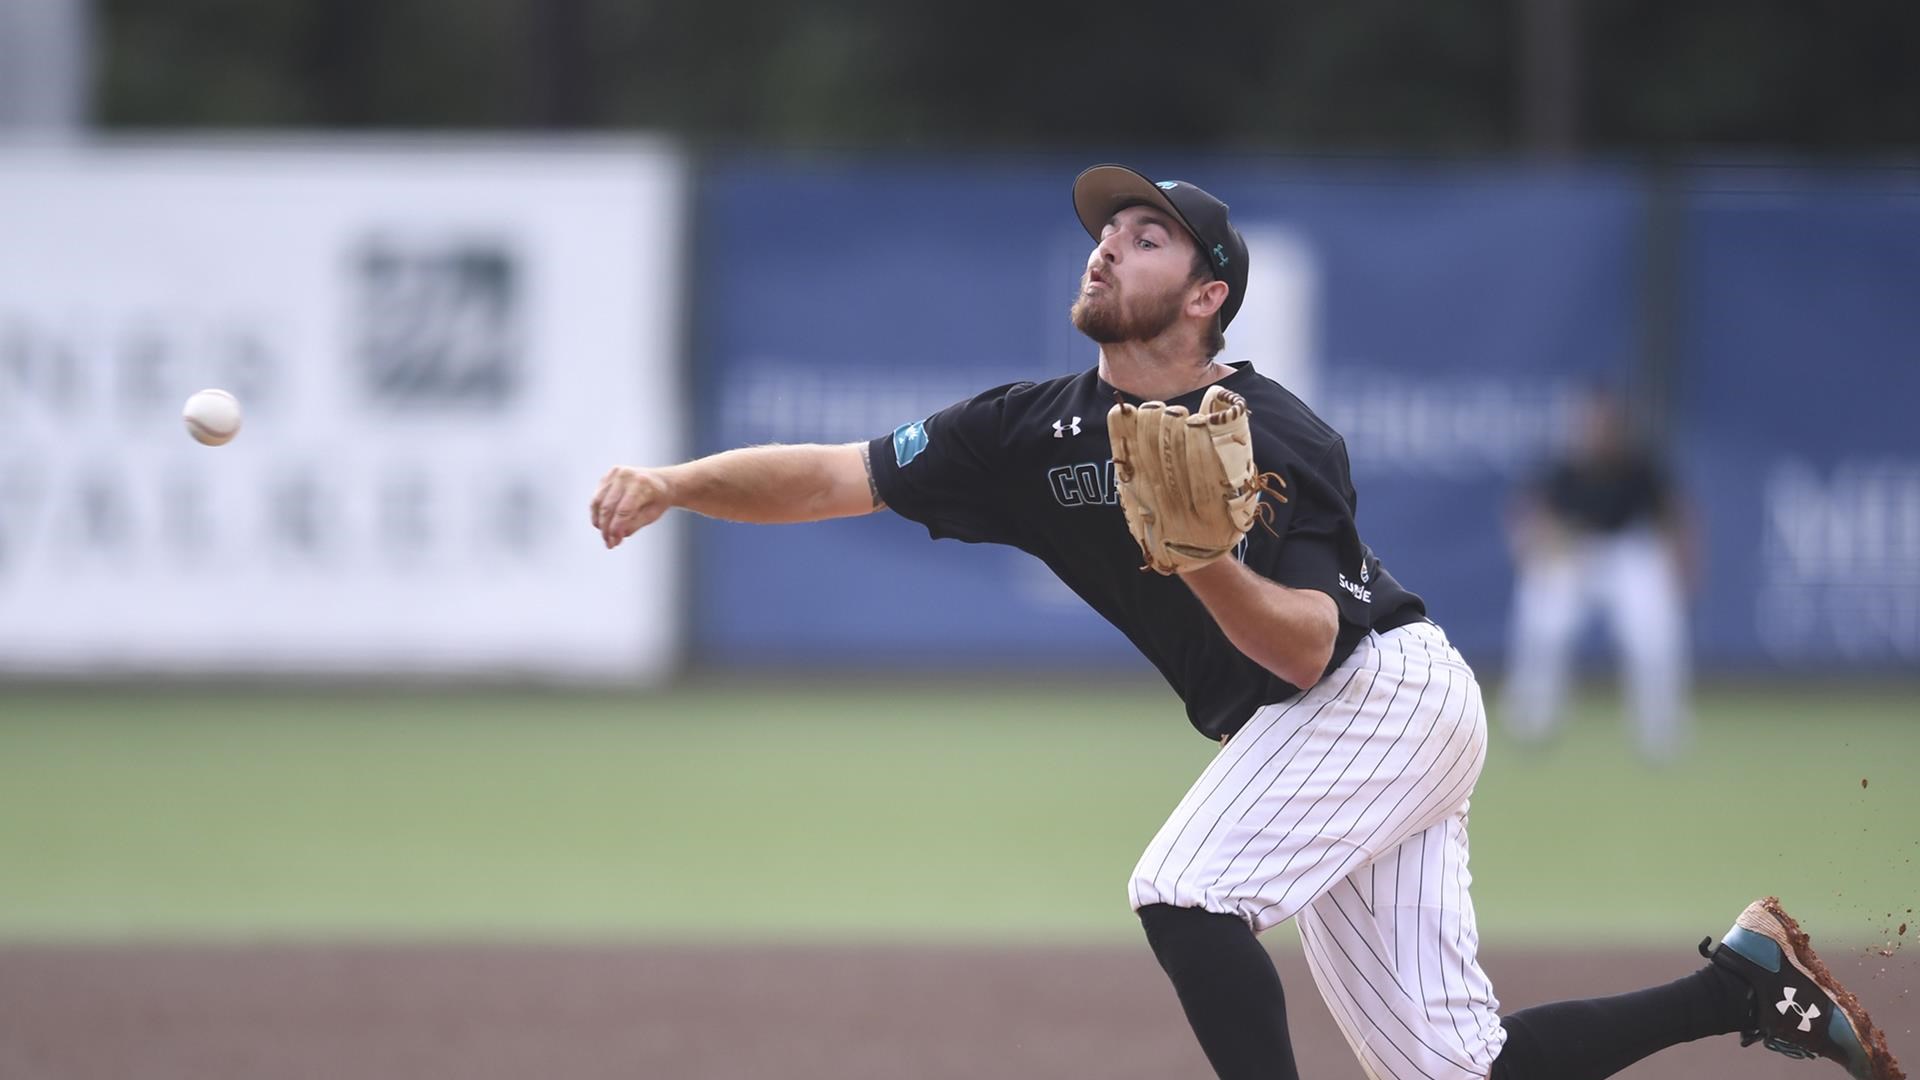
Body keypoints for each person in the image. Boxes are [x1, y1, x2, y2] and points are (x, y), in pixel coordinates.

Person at [588, 165, 1903, 1080]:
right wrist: (672, 483)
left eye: (1145, 234)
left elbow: (1306, 648)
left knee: (1181, 887)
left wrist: (1207, 557)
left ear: (1207, 291)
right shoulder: (1027, 429)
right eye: (1105, 229)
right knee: (1467, 1071)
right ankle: (1743, 984)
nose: (1106, 242)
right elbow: (839, 472)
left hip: (1381, 692)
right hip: (1323, 727)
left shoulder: (1275, 435)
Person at [1501, 384, 1695, 762]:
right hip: (1576, 550)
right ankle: (1532, 722)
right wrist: (1537, 547)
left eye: (1606, 422)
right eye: (1592, 421)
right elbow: (1531, 517)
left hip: (1628, 552)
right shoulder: (1565, 465)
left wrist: (1682, 563)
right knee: (1543, 618)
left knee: (1653, 633)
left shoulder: (1639, 465)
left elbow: (1673, 515)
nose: (1598, 430)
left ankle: (1661, 732)